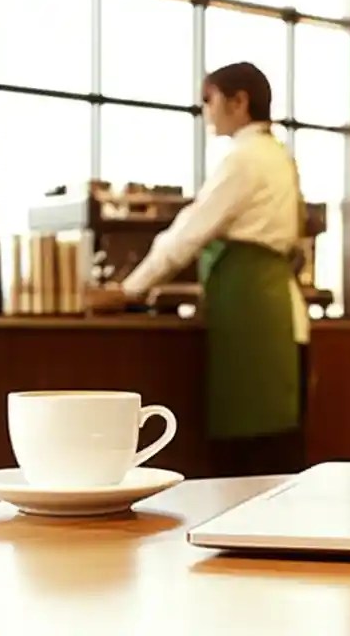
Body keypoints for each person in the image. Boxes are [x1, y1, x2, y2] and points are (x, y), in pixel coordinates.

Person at [118, 61, 309, 477]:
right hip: (270, 307)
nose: (206, 111)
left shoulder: (246, 158)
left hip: (252, 312)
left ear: (239, 102)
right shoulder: (277, 154)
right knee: (274, 445)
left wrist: (129, 289)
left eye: (210, 99)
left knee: (251, 449)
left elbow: (190, 232)